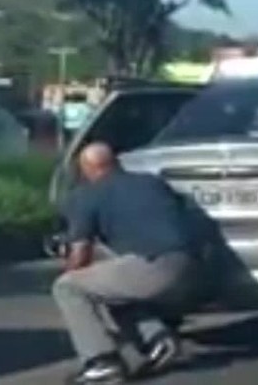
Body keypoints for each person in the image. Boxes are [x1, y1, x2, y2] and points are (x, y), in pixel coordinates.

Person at [53, 142, 197, 384]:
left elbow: (81, 254)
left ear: (87, 168)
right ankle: (157, 341)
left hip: (153, 266)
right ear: (116, 162)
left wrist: (68, 275)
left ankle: (102, 362)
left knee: (68, 288)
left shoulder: (88, 195)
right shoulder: (151, 182)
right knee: (111, 288)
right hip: (190, 265)